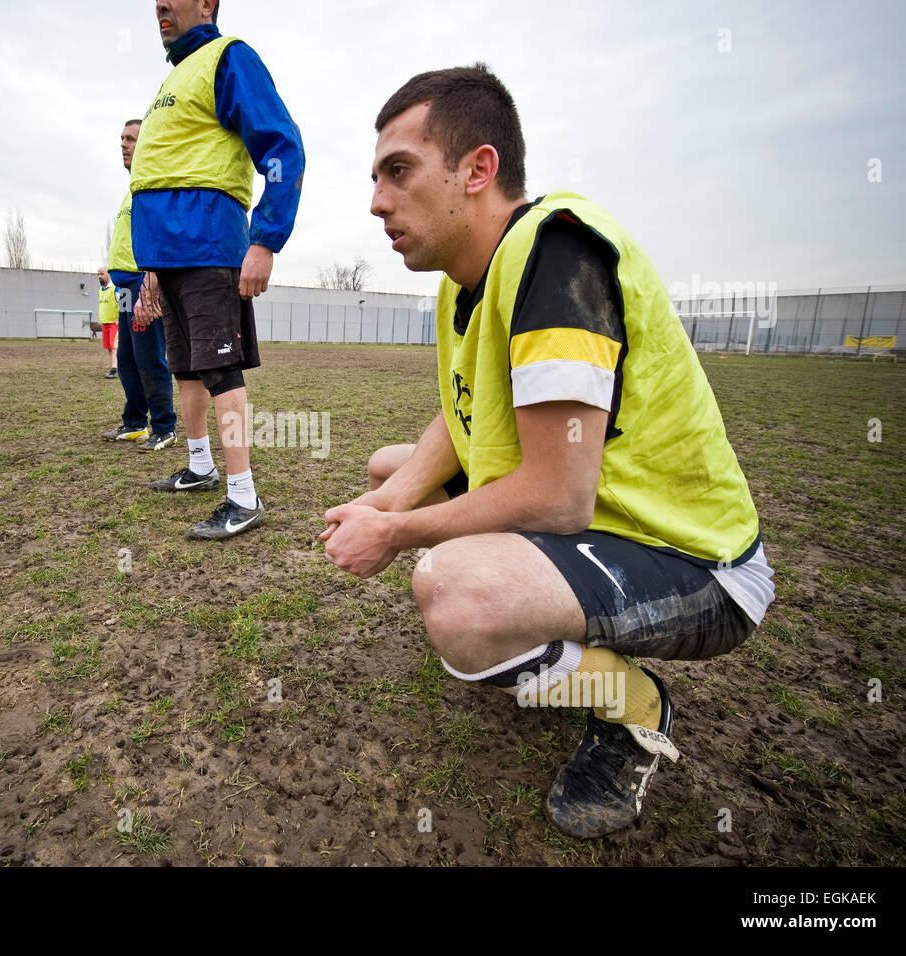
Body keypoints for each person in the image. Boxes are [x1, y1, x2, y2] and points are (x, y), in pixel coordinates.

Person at [321, 65, 775, 838]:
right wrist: (386, 501)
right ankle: (548, 639)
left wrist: (396, 534)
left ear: (479, 169)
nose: (377, 201)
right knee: (387, 470)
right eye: (374, 177)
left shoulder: (554, 252)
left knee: (458, 598)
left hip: (701, 566)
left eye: (399, 171)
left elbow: (561, 493)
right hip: (609, 526)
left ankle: (633, 711)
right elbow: (463, 416)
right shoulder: (471, 278)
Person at [131, 0, 304, 539]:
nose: (159, 5)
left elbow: (281, 146)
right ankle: (201, 467)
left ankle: (243, 496)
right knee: (186, 368)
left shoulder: (229, 57)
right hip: (170, 256)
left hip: (210, 247)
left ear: (207, 3)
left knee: (220, 369)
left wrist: (266, 239)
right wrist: (152, 267)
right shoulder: (173, 79)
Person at [100, 119, 178, 450]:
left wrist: (152, 283)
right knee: (128, 359)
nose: (123, 144)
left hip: (142, 283)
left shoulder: (155, 186)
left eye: (131, 139)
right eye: (122, 138)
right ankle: (134, 422)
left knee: (149, 359)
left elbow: (161, 236)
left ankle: (164, 426)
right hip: (123, 289)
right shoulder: (132, 191)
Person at [97, 267, 119, 379]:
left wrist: (119, 318)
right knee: (109, 347)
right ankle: (113, 366)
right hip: (105, 323)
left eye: (102, 273)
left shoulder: (116, 288)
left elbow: (122, 304)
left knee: (115, 346)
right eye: (98, 274)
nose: (99, 276)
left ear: (108, 274)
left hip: (114, 323)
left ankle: (115, 369)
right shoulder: (101, 290)